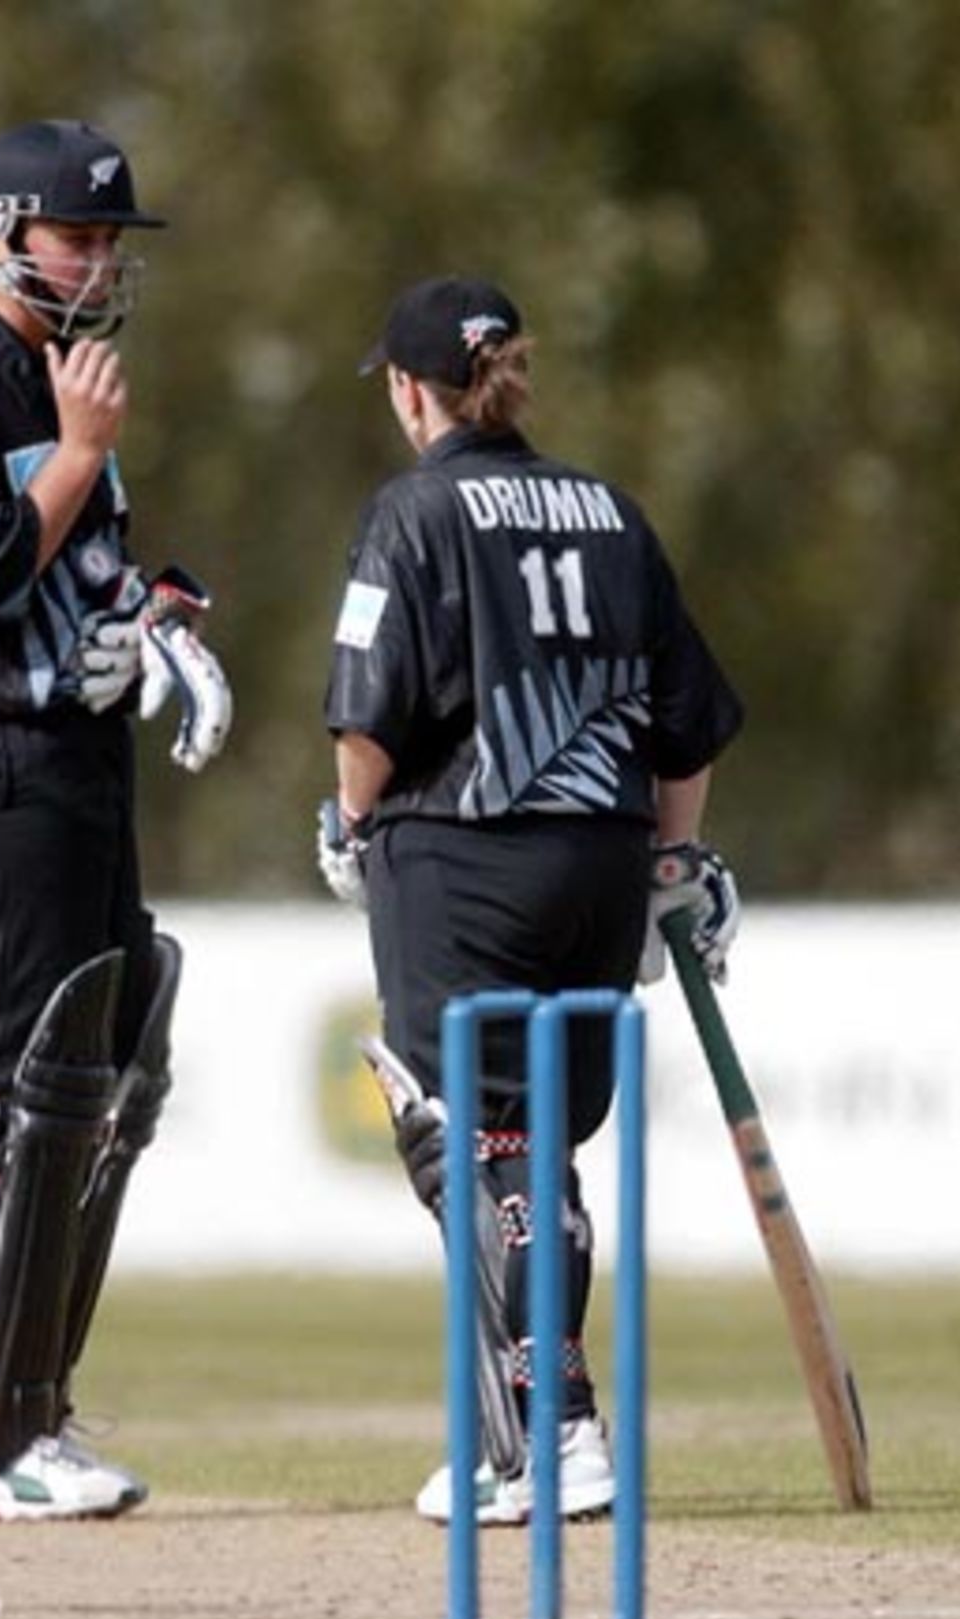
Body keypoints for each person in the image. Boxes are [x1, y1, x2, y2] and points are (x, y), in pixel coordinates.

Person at [319, 275, 742, 1525]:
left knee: (477, 1141)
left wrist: (349, 827)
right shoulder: (609, 510)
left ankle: (558, 1430)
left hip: (463, 855)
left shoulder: (409, 513)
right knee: (532, 1148)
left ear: (410, 392)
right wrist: (673, 858)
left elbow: (366, 717)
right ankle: (514, 1437)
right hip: (601, 863)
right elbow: (689, 722)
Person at [0, 118, 231, 1521]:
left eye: (107, 241)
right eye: (72, 235)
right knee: (10, 1104)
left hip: (77, 770)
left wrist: (152, 613)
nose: (93, 261)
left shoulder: (59, 377)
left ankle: (29, 1416)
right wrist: (80, 455)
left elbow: (70, 577)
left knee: (97, 1089)